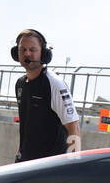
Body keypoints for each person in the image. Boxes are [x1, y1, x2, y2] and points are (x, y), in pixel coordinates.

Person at [12, 29, 80, 162]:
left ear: (43, 53)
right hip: (26, 163)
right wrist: (19, 153)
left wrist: (74, 164)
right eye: (22, 49)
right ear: (16, 53)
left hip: (50, 168)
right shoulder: (20, 84)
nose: (27, 54)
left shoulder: (55, 83)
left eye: (32, 49)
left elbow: (74, 127)